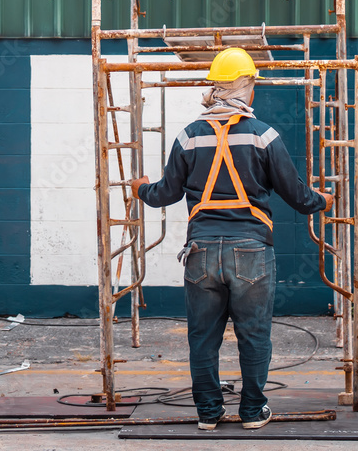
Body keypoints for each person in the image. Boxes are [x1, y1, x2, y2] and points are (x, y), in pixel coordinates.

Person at [131, 47, 333, 431]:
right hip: (251, 251)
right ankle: (252, 412)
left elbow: (163, 194)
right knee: (254, 336)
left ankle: (208, 413)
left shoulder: (189, 136)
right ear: (247, 87)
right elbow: (299, 197)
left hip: (201, 252)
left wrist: (141, 187)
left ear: (216, 88)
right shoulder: (264, 136)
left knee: (202, 339)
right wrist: (324, 199)